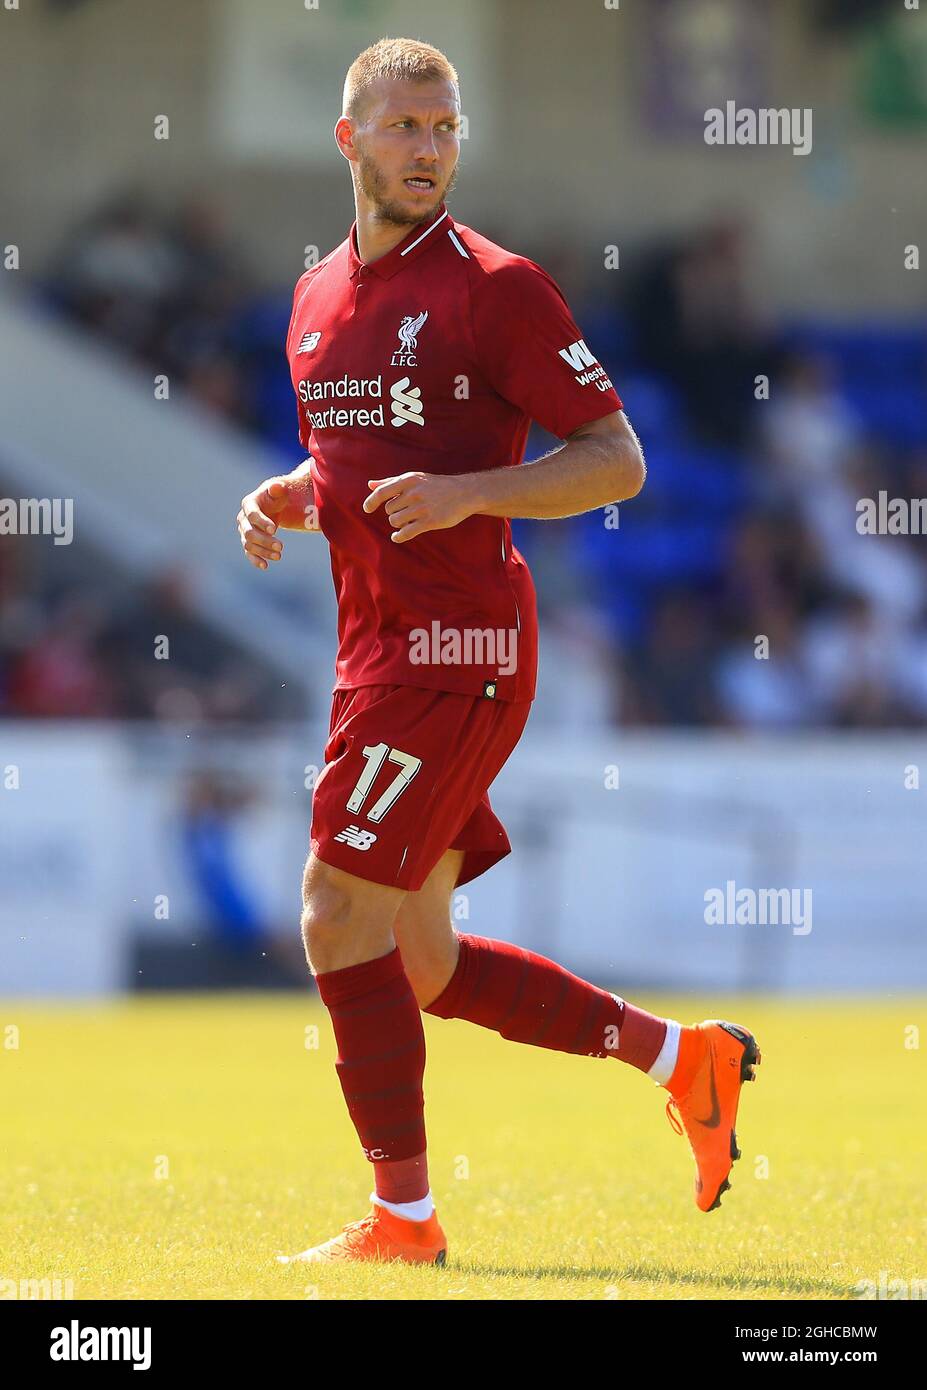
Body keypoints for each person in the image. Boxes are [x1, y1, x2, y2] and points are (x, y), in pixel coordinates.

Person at [236, 37, 760, 1267]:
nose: (429, 148)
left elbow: (616, 458)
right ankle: (689, 1060)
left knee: (329, 912)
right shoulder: (315, 301)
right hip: (375, 654)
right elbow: (360, 468)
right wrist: (294, 492)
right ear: (349, 138)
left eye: (446, 127)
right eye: (406, 126)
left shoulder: (497, 287)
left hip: (455, 651)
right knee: (415, 960)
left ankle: (404, 1224)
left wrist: (473, 494)